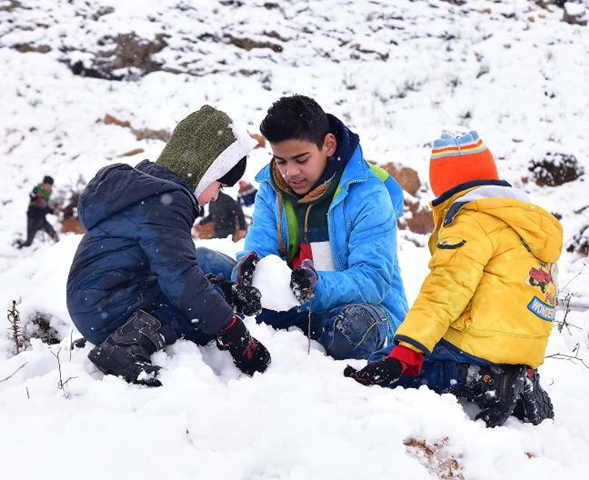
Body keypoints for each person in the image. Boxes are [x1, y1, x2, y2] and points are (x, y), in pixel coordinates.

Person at [344, 131, 563, 428]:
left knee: (387, 363)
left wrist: (407, 350)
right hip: (526, 349)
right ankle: (519, 379)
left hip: (479, 343)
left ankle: (480, 378)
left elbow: (444, 290)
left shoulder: (471, 221)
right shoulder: (524, 224)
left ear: (443, 184)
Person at [66, 105, 271, 387]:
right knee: (196, 317)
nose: (215, 197)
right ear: (205, 171)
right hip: (108, 307)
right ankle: (125, 346)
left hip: (96, 303)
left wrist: (223, 291)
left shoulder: (149, 191)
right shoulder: (168, 202)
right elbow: (180, 279)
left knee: (199, 297)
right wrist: (233, 330)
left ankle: (119, 333)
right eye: (220, 185)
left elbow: (168, 268)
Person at [228, 94, 409, 361]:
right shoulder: (271, 190)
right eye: (281, 161)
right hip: (289, 307)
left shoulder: (369, 194)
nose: (290, 172)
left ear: (329, 145)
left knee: (354, 330)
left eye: (301, 159)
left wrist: (316, 288)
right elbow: (260, 249)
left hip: (354, 310)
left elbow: (373, 279)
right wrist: (247, 269)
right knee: (208, 270)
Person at [17, 175, 59, 248]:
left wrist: (52, 211)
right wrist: (37, 197)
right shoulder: (40, 188)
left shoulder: (49, 192)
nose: (49, 187)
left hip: (41, 219)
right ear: (44, 184)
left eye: (51, 186)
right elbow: (32, 194)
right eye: (48, 185)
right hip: (33, 218)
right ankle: (18, 247)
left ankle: (60, 248)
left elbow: (45, 206)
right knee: (29, 242)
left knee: (54, 235)